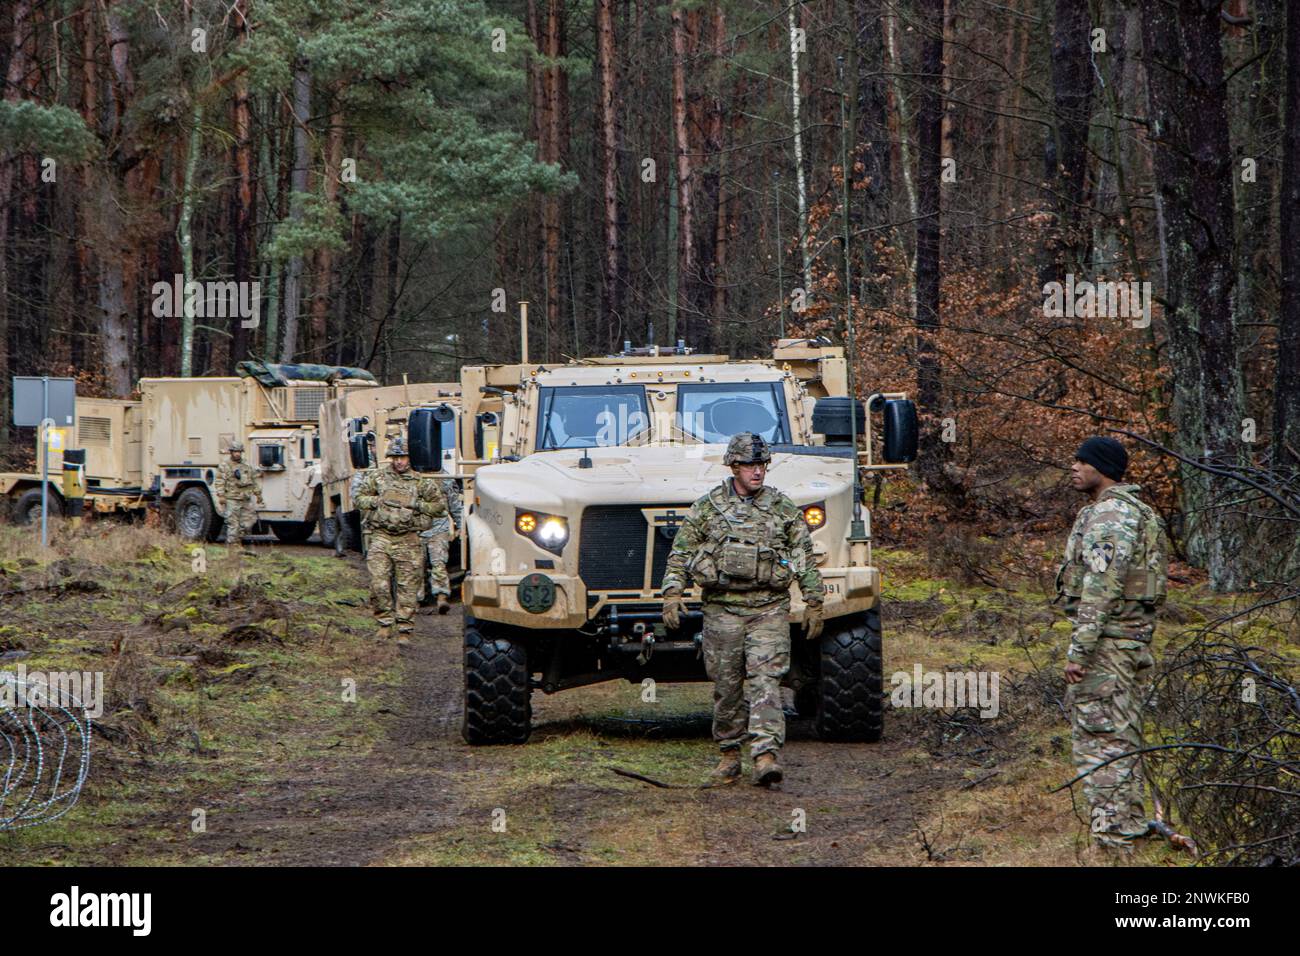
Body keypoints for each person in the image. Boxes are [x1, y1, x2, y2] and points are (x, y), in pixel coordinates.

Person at [661, 431, 824, 788]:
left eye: (762, 465)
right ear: (734, 467)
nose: (758, 472)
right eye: (750, 465)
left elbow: (804, 558)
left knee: (767, 682)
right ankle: (730, 753)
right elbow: (681, 554)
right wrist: (673, 593)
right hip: (722, 610)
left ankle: (766, 756)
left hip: (768, 608)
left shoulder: (782, 508)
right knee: (727, 685)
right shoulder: (708, 507)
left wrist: (814, 601)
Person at [1057, 436, 1168, 852]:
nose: (1074, 467)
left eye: (1081, 461)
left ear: (1100, 468)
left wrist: (1079, 650)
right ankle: (1130, 824)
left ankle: (1114, 837)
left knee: (1100, 737)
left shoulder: (1109, 515)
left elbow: (1102, 587)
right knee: (1122, 733)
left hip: (1109, 643)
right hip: (1129, 639)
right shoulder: (1135, 510)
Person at [354, 437, 447, 644]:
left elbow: (439, 507)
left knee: (407, 587)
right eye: (395, 457)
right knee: (379, 583)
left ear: (409, 458)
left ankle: (404, 629)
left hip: (408, 538)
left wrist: (415, 504)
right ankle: (384, 624)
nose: (399, 462)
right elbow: (358, 499)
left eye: (403, 457)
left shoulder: (421, 482)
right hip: (381, 536)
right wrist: (379, 500)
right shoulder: (377, 478)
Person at [421, 478, 463, 614]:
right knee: (414, 566)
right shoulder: (405, 479)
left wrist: (461, 526)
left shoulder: (445, 481)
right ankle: (415, 600)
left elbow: (455, 506)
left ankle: (441, 597)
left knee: (438, 563)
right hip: (413, 530)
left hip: (439, 529)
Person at [213, 441, 264, 547]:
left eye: (239, 452)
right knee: (233, 523)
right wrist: (221, 495)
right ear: (231, 452)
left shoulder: (247, 465)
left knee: (248, 522)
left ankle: (238, 540)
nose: (237, 454)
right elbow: (219, 481)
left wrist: (258, 495)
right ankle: (233, 546)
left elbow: (253, 480)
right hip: (232, 498)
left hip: (245, 498)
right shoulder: (225, 465)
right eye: (235, 451)